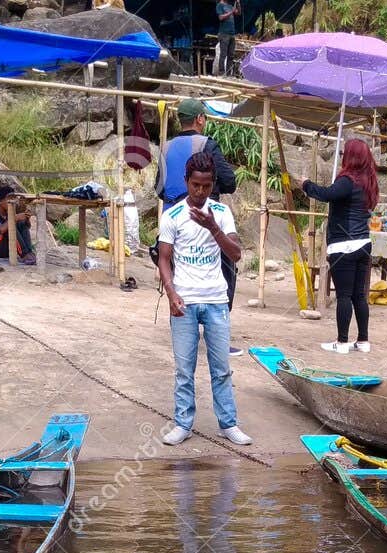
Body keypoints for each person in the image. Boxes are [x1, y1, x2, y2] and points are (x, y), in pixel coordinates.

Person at [158, 151, 251, 447]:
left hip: (216, 300)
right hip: (184, 301)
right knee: (184, 369)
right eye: (196, 185)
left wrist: (212, 227)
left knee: (221, 367)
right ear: (186, 182)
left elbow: (235, 254)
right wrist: (171, 293)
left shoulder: (221, 213)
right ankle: (182, 423)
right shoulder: (171, 216)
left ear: (212, 185)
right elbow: (163, 259)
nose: (200, 192)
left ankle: (229, 424)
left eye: (207, 186)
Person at [157, 99, 242, 353]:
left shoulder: (166, 147)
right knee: (224, 271)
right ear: (200, 119)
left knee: (175, 270)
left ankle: (183, 328)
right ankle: (217, 335)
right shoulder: (207, 145)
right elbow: (228, 181)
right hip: (206, 218)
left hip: (172, 215)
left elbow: (158, 188)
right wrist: (208, 192)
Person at [302, 138, 379, 355]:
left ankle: (342, 342)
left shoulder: (348, 180)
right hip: (363, 243)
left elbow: (327, 194)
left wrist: (307, 185)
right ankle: (363, 340)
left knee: (344, 295)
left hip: (343, 244)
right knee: (358, 295)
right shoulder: (369, 181)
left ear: (351, 156)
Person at [0, 186, 34, 265]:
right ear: (0, 201)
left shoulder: (10, 212)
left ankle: (29, 252)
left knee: (21, 224)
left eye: (14, 198)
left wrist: (27, 219)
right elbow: (1, 229)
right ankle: (24, 255)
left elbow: (27, 226)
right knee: (9, 227)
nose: (13, 201)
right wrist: (15, 218)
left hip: (7, 249)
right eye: (9, 198)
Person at [215, 0, 240, 75]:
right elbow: (221, 17)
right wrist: (231, 12)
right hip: (224, 33)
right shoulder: (220, 5)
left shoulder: (230, 6)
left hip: (232, 34)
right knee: (223, 54)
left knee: (231, 55)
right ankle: (221, 73)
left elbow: (238, 13)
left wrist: (238, 4)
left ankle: (228, 73)